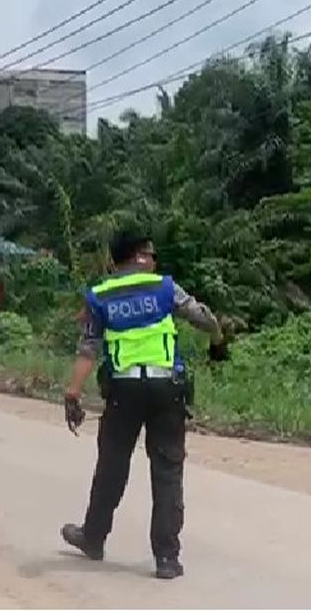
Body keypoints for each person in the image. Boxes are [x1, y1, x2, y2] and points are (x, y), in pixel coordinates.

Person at [60, 229, 227, 580]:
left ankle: (93, 538)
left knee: (112, 466)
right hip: (168, 390)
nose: (153, 260)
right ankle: (167, 558)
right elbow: (202, 317)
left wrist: (73, 393)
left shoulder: (100, 295)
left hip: (124, 392)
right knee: (167, 472)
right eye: (149, 254)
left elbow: (89, 349)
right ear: (137, 256)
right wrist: (217, 340)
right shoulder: (164, 288)